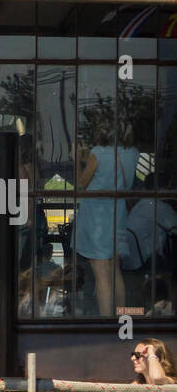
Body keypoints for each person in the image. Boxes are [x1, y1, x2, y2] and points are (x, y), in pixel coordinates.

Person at [75, 134, 140, 316]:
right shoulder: (132, 153)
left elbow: (81, 184)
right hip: (117, 215)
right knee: (115, 271)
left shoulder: (98, 153)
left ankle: (106, 324)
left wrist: (77, 159)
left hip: (97, 217)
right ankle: (121, 319)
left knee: (101, 274)